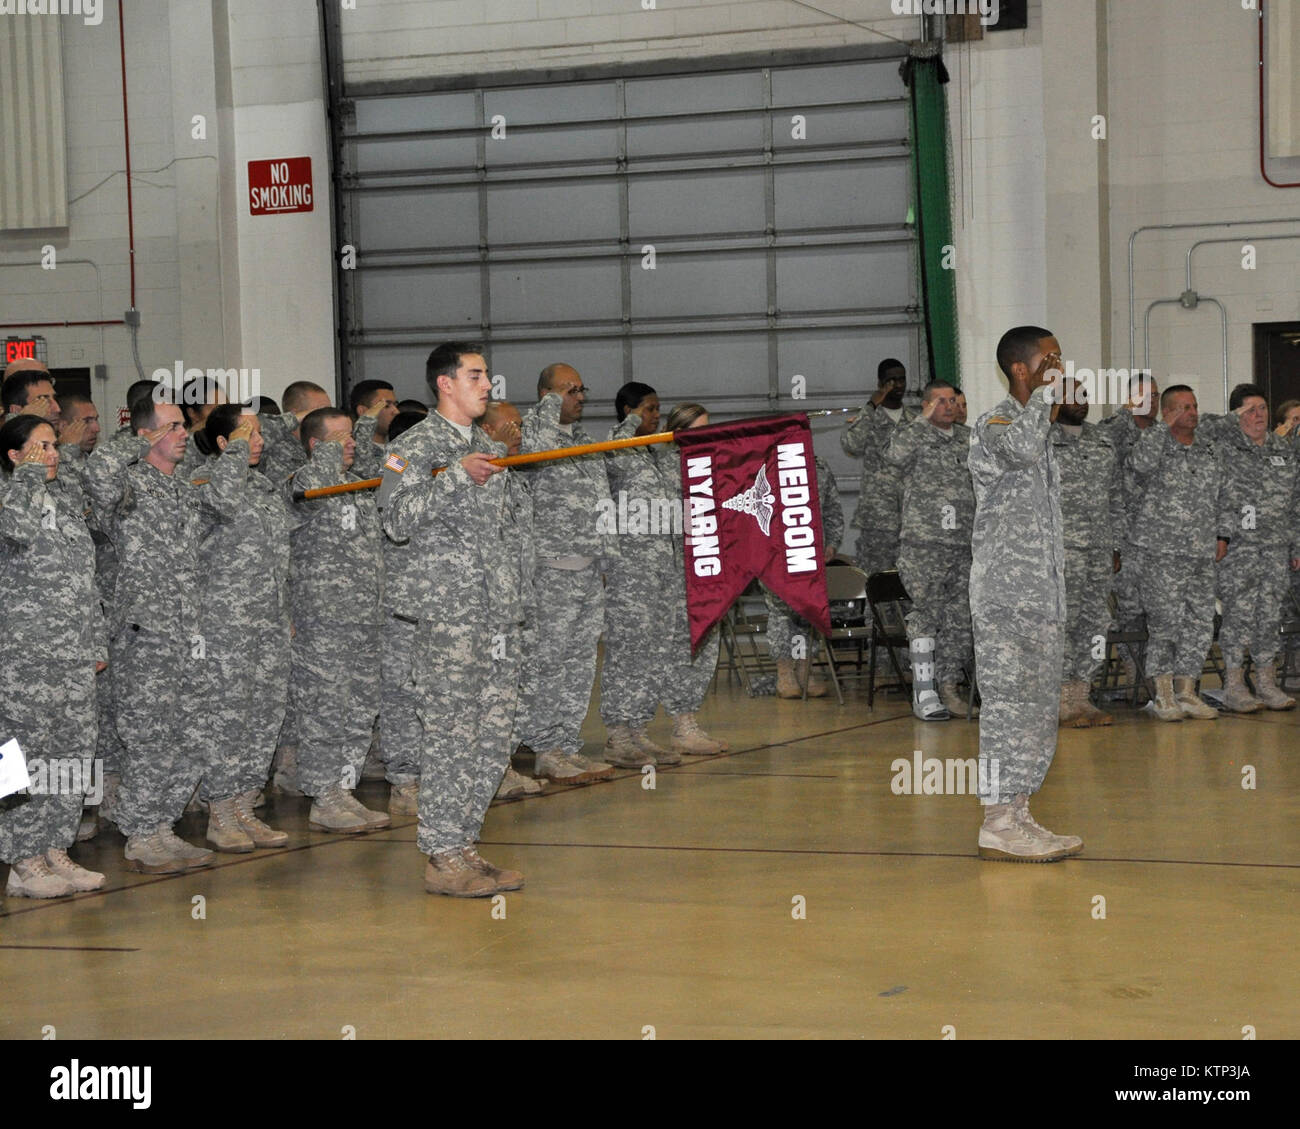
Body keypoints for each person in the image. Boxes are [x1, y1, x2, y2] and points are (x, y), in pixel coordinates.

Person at [379, 342, 526, 897]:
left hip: (495, 613)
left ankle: (465, 843)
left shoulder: (488, 444)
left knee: (493, 731)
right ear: (445, 383)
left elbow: (501, 533)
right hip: (448, 614)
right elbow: (394, 518)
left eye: (486, 374)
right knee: (450, 732)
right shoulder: (411, 446)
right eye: (475, 375)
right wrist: (454, 478)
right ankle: (441, 854)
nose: (487, 384)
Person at [85, 390, 214, 873]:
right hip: (145, 630)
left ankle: (163, 823)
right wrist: (134, 445)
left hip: (188, 629)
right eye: (171, 427)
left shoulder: (183, 486)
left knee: (193, 732)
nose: (182, 434)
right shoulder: (128, 486)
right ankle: (140, 831)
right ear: (145, 435)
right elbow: (97, 477)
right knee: (149, 733)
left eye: (182, 426)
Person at [968, 326, 1082, 862]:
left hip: (1040, 597)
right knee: (1007, 705)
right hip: (1004, 597)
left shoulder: (1042, 427)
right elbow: (1021, 447)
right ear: (1021, 369)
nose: (1060, 366)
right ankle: (996, 818)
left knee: (1037, 710)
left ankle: (1019, 812)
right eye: (1050, 358)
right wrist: (1044, 397)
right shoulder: (996, 423)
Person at [0, 416, 107, 897]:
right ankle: (22, 861)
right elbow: (18, 531)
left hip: (74, 655)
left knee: (71, 753)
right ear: (14, 456)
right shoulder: (9, 502)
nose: (53, 454)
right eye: (40, 446)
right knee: (20, 759)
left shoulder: (62, 504)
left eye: (53, 445)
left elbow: (88, 580)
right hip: (21, 657)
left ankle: (55, 849)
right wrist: (25, 475)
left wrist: (97, 642)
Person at [191, 406, 298, 851]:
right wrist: (235, 455)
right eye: (245, 434)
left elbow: (279, 558)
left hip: (268, 617)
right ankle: (219, 811)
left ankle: (243, 805)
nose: (258, 440)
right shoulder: (205, 480)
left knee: (263, 713)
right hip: (224, 621)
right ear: (222, 444)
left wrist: (285, 611)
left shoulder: (264, 485)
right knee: (227, 715)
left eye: (258, 433)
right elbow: (223, 502)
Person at [288, 408, 392, 829]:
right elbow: (312, 486)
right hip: (323, 621)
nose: (351, 443)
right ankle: (322, 797)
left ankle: (343, 789)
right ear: (316, 446)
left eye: (352, 436)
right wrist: (327, 457)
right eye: (340, 438)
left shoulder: (357, 487)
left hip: (365, 618)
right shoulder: (303, 483)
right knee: (325, 710)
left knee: (360, 708)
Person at [515, 364, 617, 785]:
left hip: (588, 568)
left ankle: (567, 744)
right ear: (545, 396)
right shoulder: (532, 437)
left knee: (578, 663)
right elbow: (530, 449)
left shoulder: (585, 444)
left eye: (581, 389)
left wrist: (607, 559)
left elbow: (603, 505)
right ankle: (543, 747)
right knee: (548, 663)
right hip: (551, 571)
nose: (579, 397)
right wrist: (547, 407)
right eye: (567, 390)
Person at [1126, 385, 1222, 722]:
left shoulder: (1209, 451)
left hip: (1201, 552)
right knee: (1165, 624)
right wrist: (1160, 429)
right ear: (1168, 412)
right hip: (1161, 552)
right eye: (1183, 407)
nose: (1192, 412)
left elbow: (1223, 496)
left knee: (1199, 623)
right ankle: (1163, 695)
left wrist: (1222, 535)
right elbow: (1138, 465)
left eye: (1195, 405)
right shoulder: (1155, 444)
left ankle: (1187, 691)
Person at [1203, 385, 1300, 711]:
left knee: (1269, 618)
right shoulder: (1224, 445)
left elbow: (1296, 502)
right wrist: (1231, 419)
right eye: (1250, 410)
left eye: (1262, 408)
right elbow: (1202, 426)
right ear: (1236, 416)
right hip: (1239, 550)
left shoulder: (1283, 449)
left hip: (1275, 548)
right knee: (1238, 618)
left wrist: (1296, 543)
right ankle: (1234, 686)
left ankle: (1267, 683)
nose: (1258, 415)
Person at [886, 380, 976, 720]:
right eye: (941, 401)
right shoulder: (914, 435)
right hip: (924, 544)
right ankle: (923, 692)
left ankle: (949, 688)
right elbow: (893, 456)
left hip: (962, 545)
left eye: (953, 400)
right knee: (926, 614)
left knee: (959, 619)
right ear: (925, 405)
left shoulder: (969, 440)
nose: (950, 406)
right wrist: (920, 421)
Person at [1051, 376, 1124, 726]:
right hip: (1061, 548)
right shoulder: (1043, 441)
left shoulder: (1102, 439)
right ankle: (1061, 698)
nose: (1080, 401)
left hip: (1098, 548)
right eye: (1071, 396)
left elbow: (1115, 496)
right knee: (1064, 622)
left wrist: (1116, 543)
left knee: (1096, 622)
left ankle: (1083, 695)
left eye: (1084, 395)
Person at [480, 399, 544, 797]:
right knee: (490, 692)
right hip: (488, 606)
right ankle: (489, 773)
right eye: (509, 428)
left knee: (513, 688)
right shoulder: (484, 475)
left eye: (520, 426)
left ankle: (501, 766)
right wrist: (498, 452)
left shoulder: (515, 477)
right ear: (487, 433)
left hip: (517, 600)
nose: (519, 434)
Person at [659, 402, 728, 753]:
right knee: (683, 648)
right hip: (679, 575)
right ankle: (681, 723)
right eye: (699, 429)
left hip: (711, 573)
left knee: (705, 648)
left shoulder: (714, 468)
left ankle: (689, 720)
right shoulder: (668, 471)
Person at [1096, 372, 1159, 689]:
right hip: (1125, 538)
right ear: (1130, 399)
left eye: (1156, 396)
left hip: (1159, 539)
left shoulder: (1162, 434)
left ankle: (1155, 675)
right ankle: (1136, 674)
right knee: (1131, 610)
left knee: (1157, 610)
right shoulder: (1113, 432)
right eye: (1145, 396)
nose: (1153, 403)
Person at [765, 456, 843, 699]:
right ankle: (784, 672)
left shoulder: (818, 465)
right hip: (775, 553)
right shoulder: (766, 463)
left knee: (807, 612)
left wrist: (831, 542)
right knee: (781, 610)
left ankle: (804, 670)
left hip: (810, 551)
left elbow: (831, 507)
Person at [840, 359, 914, 577]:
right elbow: (852, 445)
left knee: (910, 579)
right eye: (892, 380)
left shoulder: (915, 420)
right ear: (881, 383)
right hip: (878, 519)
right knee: (876, 579)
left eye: (902, 379)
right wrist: (871, 406)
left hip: (911, 517)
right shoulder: (869, 417)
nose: (898, 385)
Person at [257, 380, 332, 488]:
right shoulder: (273, 443)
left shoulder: (325, 443)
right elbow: (255, 427)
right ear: (298, 414)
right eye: (320, 412)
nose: (326, 417)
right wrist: (294, 418)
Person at [349, 379, 400, 480]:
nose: (396, 411)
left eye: (396, 405)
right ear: (363, 411)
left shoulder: (394, 450)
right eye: (386, 406)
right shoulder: (350, 451)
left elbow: (402, 472)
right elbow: (367, 474)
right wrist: (366, 422)